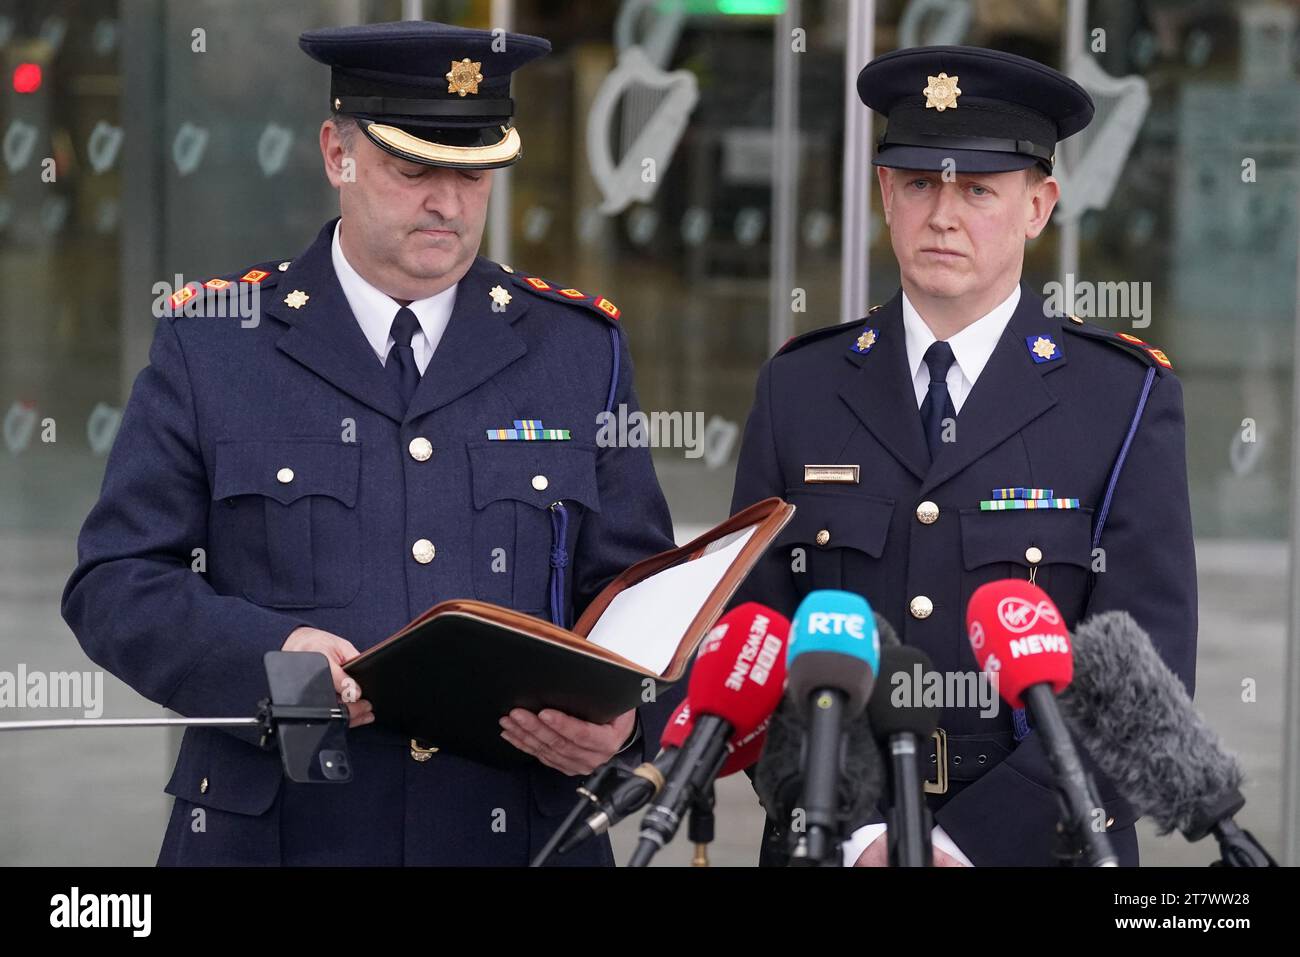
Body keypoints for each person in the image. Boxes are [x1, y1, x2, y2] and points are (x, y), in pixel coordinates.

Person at [61, 20, 677, 866]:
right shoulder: (216, 342)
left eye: (474, 169)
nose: (448, 201)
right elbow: (116, 582)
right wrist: (270, 656)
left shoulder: (576, 349)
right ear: (335, 152)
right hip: (283, 834)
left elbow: (641, 590)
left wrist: (627, 715)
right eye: (413, 165)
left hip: (518, 833)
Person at [728, 45, 1196, 866]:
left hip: (1042, 842)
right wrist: (863, 832)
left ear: (1039, 206)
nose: (942, 215)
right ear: (884, 193)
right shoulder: (797, 388)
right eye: (919, 183)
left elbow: (1143, 674)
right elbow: (754, 641)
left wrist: (967, 844)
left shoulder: (1120, 397)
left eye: (978, 189)